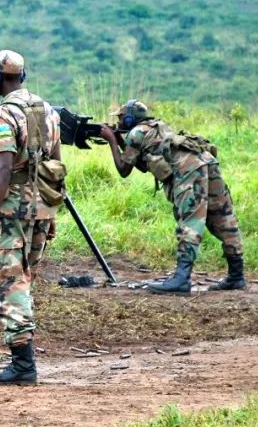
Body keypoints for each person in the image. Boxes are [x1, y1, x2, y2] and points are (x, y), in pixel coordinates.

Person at [0, 49, 62, 385]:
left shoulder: (3, 115)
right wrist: (52, 211)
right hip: (41, 206)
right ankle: (23, 360)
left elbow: (6, 167)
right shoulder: (47, 109)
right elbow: (56, 163)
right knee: (25, 277)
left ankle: (23, 365)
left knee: (11, 281)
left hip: (13, 209)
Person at [100, 100, 245, 294]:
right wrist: (121, 141)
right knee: (223, 217)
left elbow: (124, 170)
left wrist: (111, 140)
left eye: (120, 118)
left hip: (188, 168)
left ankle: (181, 279)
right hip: (205, 160)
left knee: (190, 221)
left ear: (129, 118)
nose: (118, 123)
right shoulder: (158, 126)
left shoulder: (136, 133)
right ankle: (236, 276)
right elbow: (143, 162)